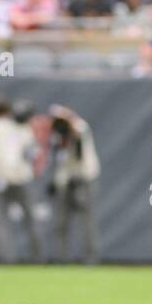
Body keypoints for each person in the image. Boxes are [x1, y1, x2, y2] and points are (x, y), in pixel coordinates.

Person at [0, 98, 42, 263]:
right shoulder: (22, 128)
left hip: (0, 179)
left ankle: (8, 260)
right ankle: (38, 258)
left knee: (2, 222)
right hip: (21, 178)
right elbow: (33, 154)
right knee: (29, 220)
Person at [46, 104, 100, 264]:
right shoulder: (57, 134)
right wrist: (56, 181)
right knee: (61, 220)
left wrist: (70, 129)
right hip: (66, 180)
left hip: (85, 178)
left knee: (87, 220)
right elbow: (57, 159)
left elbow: (79, 154)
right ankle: (62, 257)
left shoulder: (79, 126)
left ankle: (90, 257)